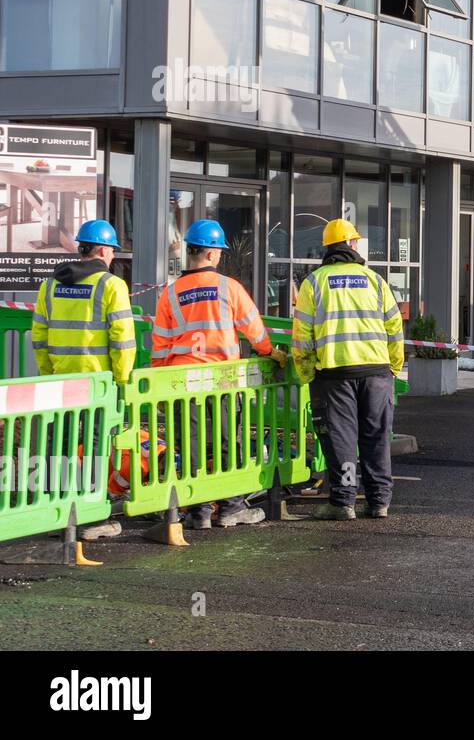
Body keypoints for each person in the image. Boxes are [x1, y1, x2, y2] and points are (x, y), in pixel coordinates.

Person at [151, 219, 286, 529]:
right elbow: (254, 330)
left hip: (181, 380)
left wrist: (160, 383)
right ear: (212, 254)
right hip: (223, 379)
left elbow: (160, 344)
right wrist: (268, 352)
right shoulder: (229, 288)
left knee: (190, 445)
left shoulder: (170, 294)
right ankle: (231, 507)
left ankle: (198, 513)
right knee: (229, 442)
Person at [292, 219, 404, 521]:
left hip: (335, 375)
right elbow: (395, 328)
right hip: (377, 372)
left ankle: (343, 502)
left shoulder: (313, 283)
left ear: (328, 248)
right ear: (352, 245)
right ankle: (379, 501)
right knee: (377, 437)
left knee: (341, 440)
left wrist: (305, 373)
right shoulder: (375, 280)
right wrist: (394, 367)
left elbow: (302, 336)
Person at [31, 220, 135, 540]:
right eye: (112, 249)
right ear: (104, 249)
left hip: (61, 381)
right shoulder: (111, 286)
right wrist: (121, 381)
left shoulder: (50, 285)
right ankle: (90, 518)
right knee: (94, 447)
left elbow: (39, 335)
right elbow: (123, 341)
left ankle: (56, 514)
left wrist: (50, 374)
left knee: (59, 445)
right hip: (97, 384)